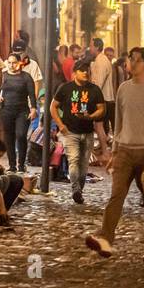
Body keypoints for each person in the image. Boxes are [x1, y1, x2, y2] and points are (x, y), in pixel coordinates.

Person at [85, 46, 144, 261]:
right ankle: (105, 238)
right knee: (116, 195)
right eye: (130, 59)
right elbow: (119, 122)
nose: (131, 63)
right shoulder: (123, 88)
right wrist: (113, 152)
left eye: (136, 60)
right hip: (124, 151)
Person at [51, 54, 105, 204]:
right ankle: (75, 189)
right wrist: (61, 125)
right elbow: (53, 107)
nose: (85, 73)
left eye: (87, 70)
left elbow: (102, 108)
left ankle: (78, 189)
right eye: (82, 70)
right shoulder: (66, 88)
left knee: (84, 165)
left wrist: (91, 116)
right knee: (73, 161)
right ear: (75, 73)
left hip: (87, 132)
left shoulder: (94, 89)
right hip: (71, 132)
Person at [0, 44, 38, 173]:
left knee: (21, 135)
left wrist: (33, 108)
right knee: (8, 138)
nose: (11, 65)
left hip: (22, 111)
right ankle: (12, 165)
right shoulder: (3, 76)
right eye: (9, 63)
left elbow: (32, 95)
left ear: (19, 63)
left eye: (14, 63)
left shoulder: (26, 77)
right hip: (6, 110)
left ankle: (21, 163)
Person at [89, 38, 115, 162]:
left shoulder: (101, 61)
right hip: (105, 99)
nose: (90, 48)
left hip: (103, 99)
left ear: (96, 47)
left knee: (98, 126)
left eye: (91, 46)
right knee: (99, 126)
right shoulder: (101, 60)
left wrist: (92, 100)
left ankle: (105, 151)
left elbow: (98, 83)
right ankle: (104, 149)